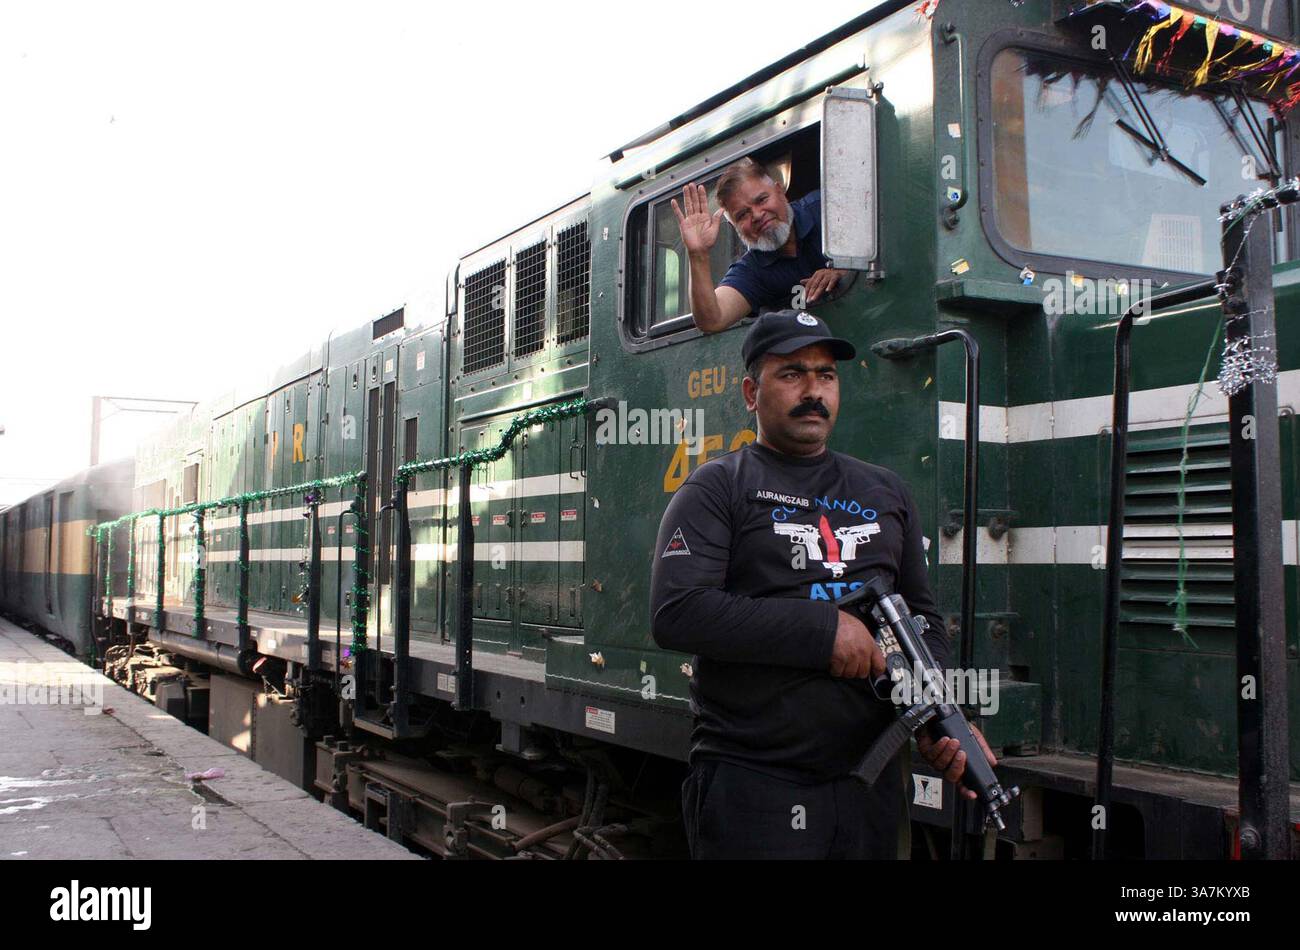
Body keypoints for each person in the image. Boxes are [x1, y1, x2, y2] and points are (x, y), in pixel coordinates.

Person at [650, 309, 996, 860]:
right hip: (756, 783)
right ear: (750, 391)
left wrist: (938, 718)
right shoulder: (717, 488)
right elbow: (679, 611)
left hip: (871, 783)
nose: (813, 391)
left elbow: (923, 621)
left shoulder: (886, 491)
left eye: (826, 375)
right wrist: (824, 630)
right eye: (791, 374)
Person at [671, 157, 852, 332]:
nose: (757, 215)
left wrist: (843, 270)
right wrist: (697, 254)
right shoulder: (753, 269)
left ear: (780, 193)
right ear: (735, 227)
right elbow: (712, 320)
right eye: (742, 215)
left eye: (761, 200)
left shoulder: (829, 208)